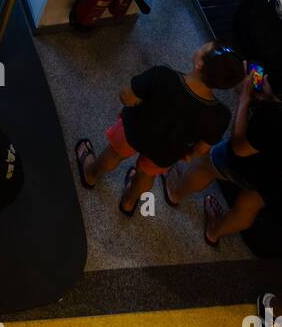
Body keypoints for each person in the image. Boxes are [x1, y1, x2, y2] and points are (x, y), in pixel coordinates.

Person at [75, 42, 245, 214]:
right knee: (146, 175)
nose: (201, 46)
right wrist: (188, 155)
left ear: (200, 64)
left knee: (114, 154)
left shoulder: (163, 76)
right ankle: (128, 202)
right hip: (166, 153)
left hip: (134, 131)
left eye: (204, 47)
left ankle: (91, 173)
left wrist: (133, 103)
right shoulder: (221, 115)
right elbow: (201, 149)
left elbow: (126, 96)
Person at [163, 74, 282, 249]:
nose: (265, 77)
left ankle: (175, 192)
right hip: (276, 185)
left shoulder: (274, 116)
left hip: (253, 166)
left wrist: (244, 99)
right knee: (251, 204)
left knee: (206, 164)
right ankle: (214, 232)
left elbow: (239, 147)